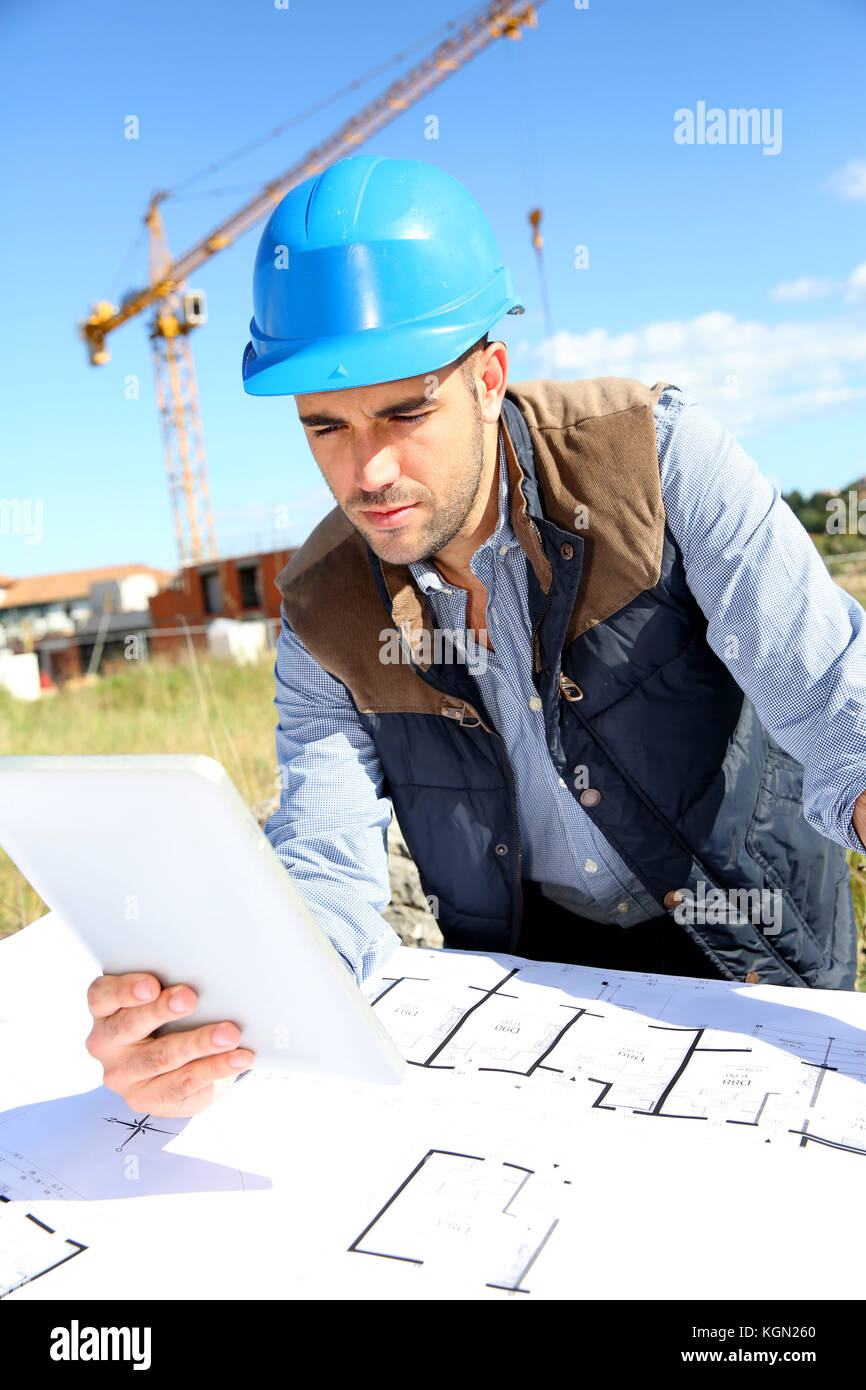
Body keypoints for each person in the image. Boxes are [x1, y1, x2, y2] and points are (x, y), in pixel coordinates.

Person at [85, 154, 866, 1117]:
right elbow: (325, 865)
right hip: (533, 979)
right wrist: (219, 1024)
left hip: (751, 945)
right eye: (324, 426)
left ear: (490, 378)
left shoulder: (657, 464)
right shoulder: (323, 607)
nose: (368, 470)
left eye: (406, 411)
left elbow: (837, 701)